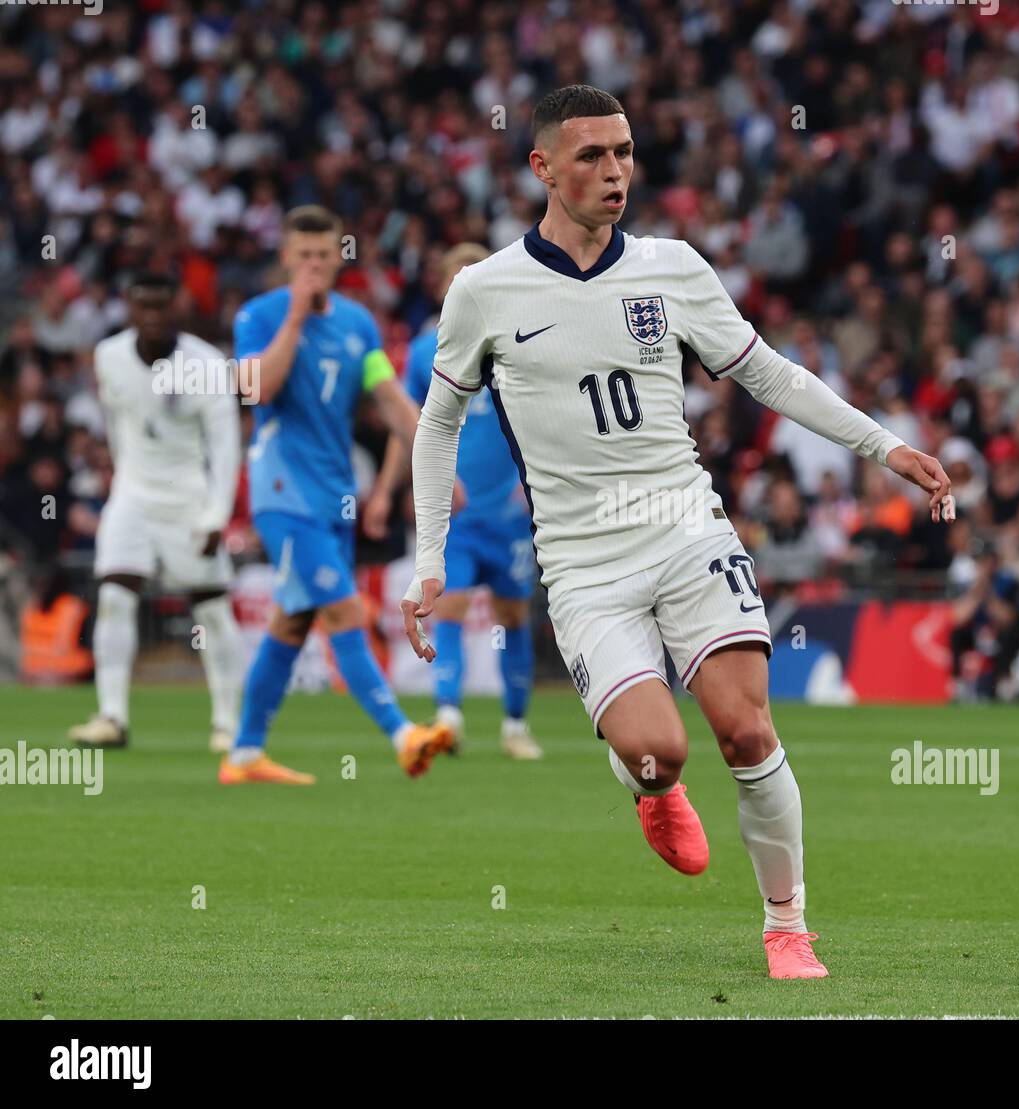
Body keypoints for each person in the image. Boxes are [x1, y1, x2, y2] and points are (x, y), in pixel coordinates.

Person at [400, 86, 953, 978]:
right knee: (660, 751)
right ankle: (651, 787)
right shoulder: (483, 291)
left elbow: (768, 373)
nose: (615, 171)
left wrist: (885, 446)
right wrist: (429, 562)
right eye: (590, 156)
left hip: (684, 528)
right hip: (582, 563)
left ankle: (786, 926)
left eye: (623, 152)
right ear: (541, 165)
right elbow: (436, 425)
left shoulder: (675, 267)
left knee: (747, 731)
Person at [223, 205, 452, 785]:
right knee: (344, 608)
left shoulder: (358, 325)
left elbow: (389, 397)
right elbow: (258, 388)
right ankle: (403, 735)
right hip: (280, 493)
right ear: (285, 257)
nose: (313, 265)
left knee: (291, 622)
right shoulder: (260, 315)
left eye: (324, 255)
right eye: (302, 256)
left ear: (338, 257)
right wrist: (295, 318)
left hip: (332, 496)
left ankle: (246, 754)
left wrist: (435, 460)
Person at [367, 243, 542, 760]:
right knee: (450, 606)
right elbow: (410, 428)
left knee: (513, 615)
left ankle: (515, 724)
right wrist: (385, 490)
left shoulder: (518, 341)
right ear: (445, 283)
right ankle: (449, 716)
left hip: (510, 513)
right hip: (455, 511)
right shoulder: (426, 351)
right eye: (456, 275)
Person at [69, 273, 243, 752]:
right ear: (129, 306)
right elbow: (118, 421)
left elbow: (226, 446)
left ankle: (228, 723)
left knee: (212, 609)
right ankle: (112, 717)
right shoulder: (108, 357)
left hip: (189, 497)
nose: (152, 316)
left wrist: (216, 515)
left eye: (161, 306)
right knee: (114, 597)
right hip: (133, 494)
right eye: (143, 306)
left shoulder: (206, 364)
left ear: (176, 308)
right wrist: (123, 483)